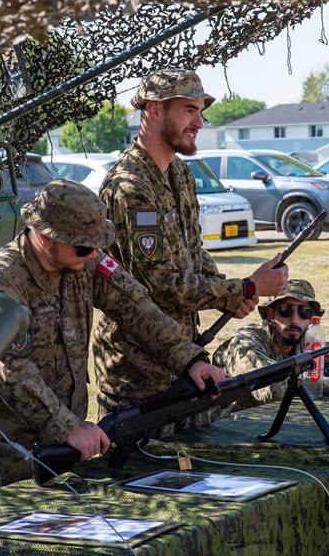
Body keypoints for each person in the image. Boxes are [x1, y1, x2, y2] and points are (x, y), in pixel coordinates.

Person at [0, 179, 226, 495]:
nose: (93, 252)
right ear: (45, 238)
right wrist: (69, 427)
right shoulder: (1, 280)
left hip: (65, 452)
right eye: (83, 246)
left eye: (97, 244)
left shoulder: (85, 260)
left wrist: (190, 359)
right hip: (5, 459)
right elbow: (9, 370)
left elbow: (137, 308)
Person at [93, 67, 289, 411]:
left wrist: (230, 292)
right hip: (138, 373)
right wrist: (243, 289)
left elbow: (195, 253)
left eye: (200, 112)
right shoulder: (130, 187)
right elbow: (160, 286)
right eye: (189, 110)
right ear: (154, 109)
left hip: (185, 362)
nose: (199, 122)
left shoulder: (182, 174)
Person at [212, 279, 329, 413]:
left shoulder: (302, 341)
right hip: (230, 431)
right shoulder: (246, 343)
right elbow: (271, 390)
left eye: (304, 312)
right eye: (286, 310)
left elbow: (318, 367)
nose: (295, 320)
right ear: (270, 314)